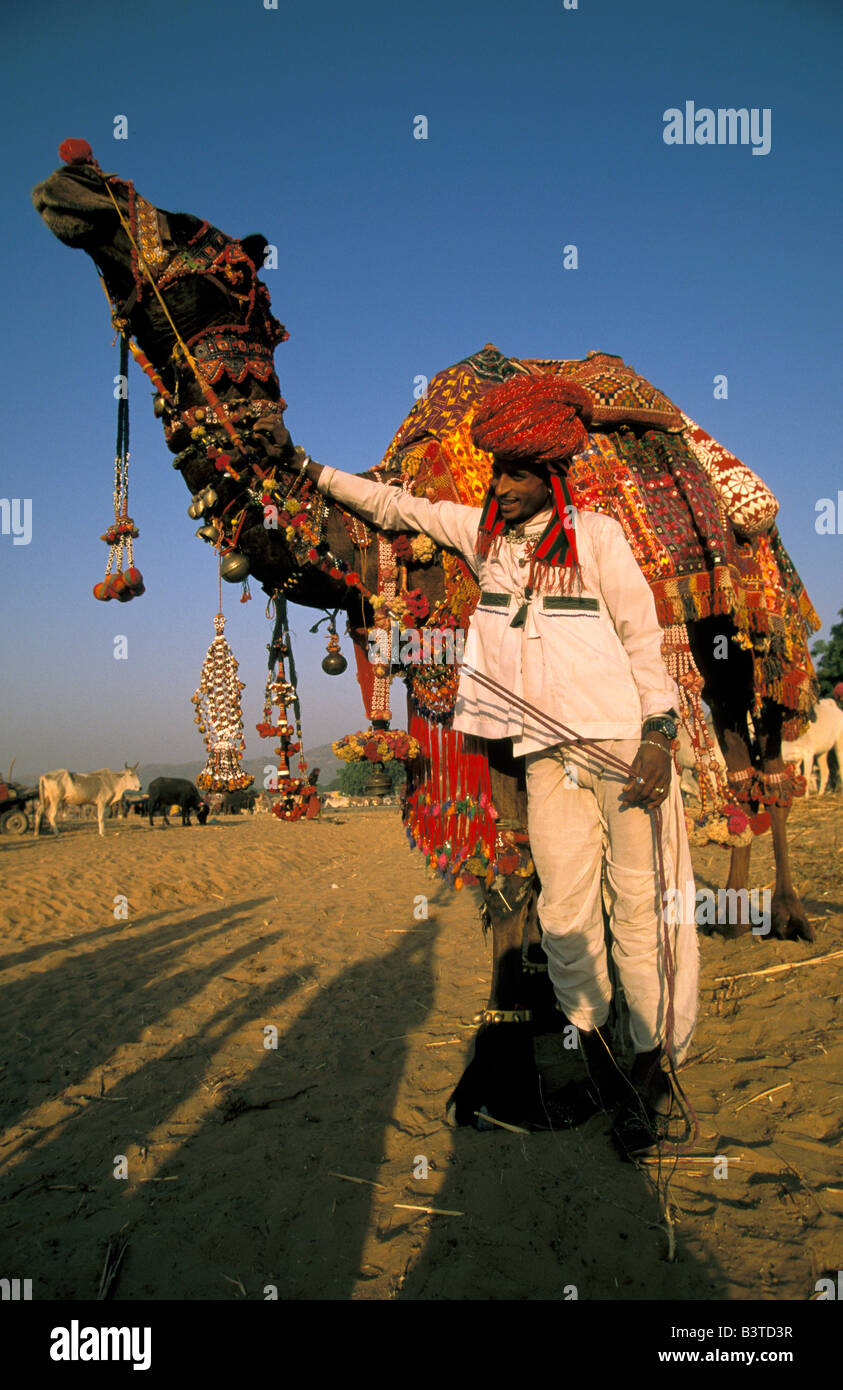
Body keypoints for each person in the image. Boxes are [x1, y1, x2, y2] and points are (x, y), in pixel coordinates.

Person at [296, 375, 697, 1156]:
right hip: (547, 759)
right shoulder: (480, 539)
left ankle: (654, 1063)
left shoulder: (599, 538)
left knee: (640, 907)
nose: (501, 488)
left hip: (622, 749)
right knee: (568, 916)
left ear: (550, 475)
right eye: (496, 473)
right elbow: (393, 508)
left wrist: (657, 734)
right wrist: (308, 470)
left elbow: (643, 640)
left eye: (515, 474)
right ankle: (599, 1053)